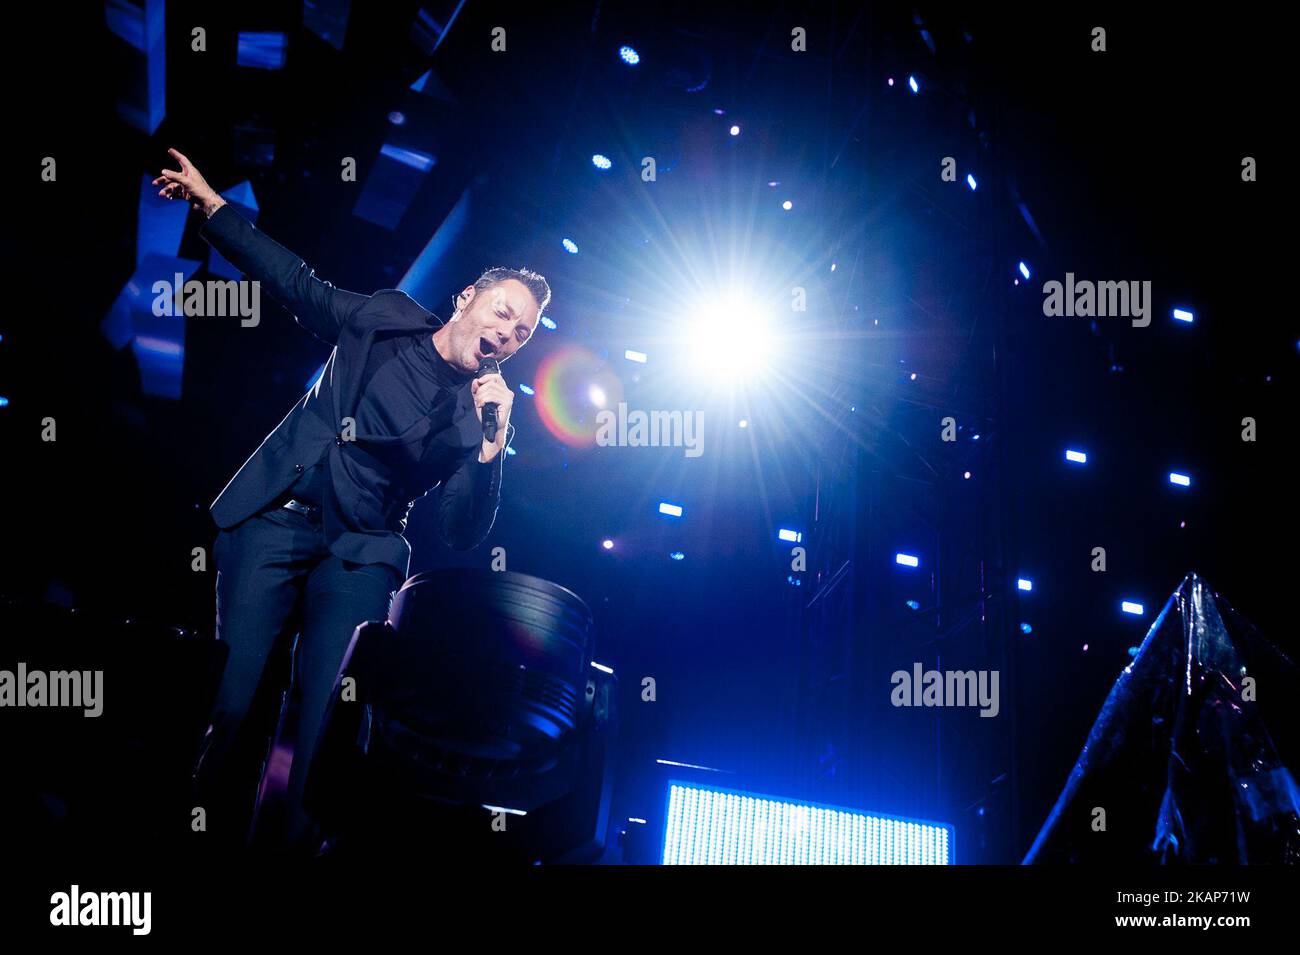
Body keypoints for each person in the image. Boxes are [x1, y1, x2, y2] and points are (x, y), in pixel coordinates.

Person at [153, 148, 550, 853]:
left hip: (359, 556)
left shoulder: (475, 419)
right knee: (232, 699)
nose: (508, 334)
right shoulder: (384, 319)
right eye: (504, 313)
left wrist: (493, 453)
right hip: (278, 518)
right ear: (467, 298)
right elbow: (297, 284)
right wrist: (214, 208)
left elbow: (461, 530)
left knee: (330, 726)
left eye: (522, 333)